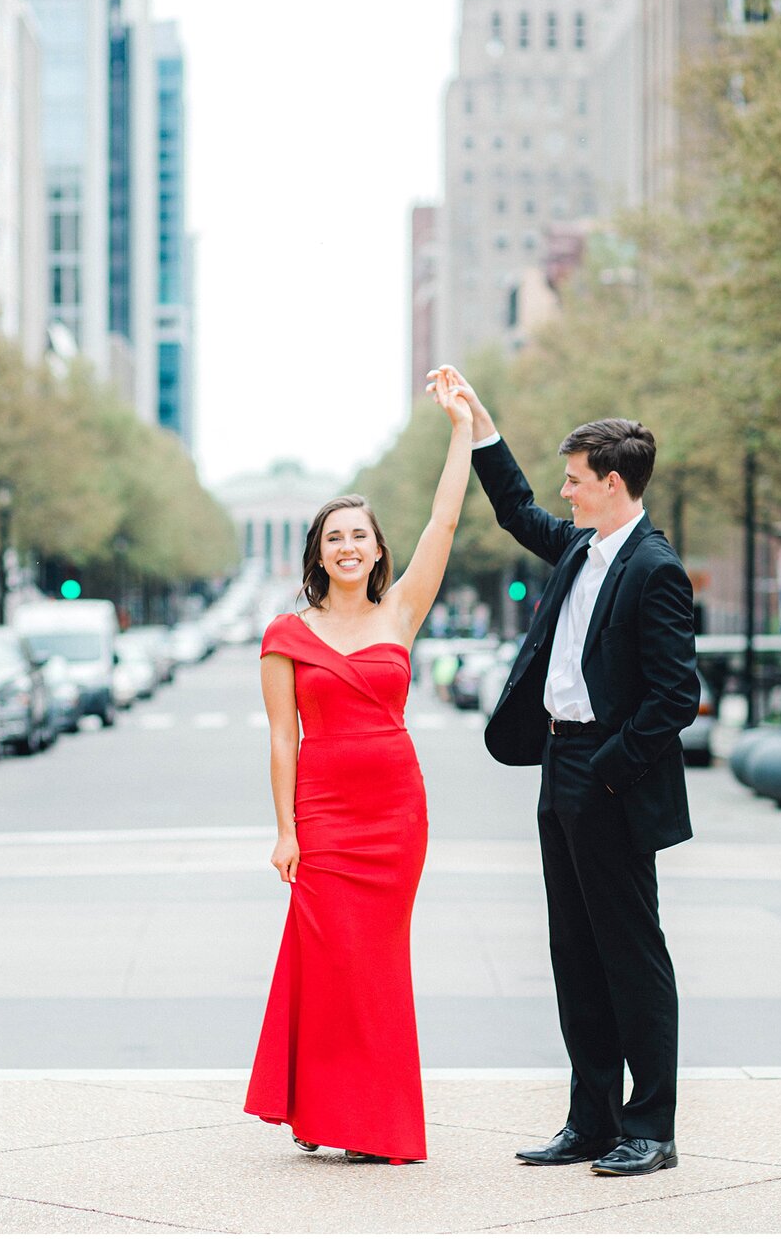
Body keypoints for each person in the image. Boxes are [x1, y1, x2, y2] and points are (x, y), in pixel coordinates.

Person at [427, 365, 699, 1178]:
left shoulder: (654, 568)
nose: (565, 491)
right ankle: (592, 1120)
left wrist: (609, 769)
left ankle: (650, 1127)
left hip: (610, 776)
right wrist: (479, 422)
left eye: (575, 479)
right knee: (574, 952)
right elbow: (517, 509)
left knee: (630, 953)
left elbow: (675, 695)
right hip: (560, 763)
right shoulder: (582, 546)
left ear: (613, 483)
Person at [243, 370, 473, 1164]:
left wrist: (461, 429)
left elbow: (445, 519)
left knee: (375, 964)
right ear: (318, 552)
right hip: (324, 813)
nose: (348, 546)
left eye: (359, 535)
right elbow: (282, 739)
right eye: (334, 536)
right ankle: (325, 1108)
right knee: (330, 960)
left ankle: (368, 1121)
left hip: (394, 813)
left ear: (378, 549)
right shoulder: (285, 634)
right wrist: (285, 831)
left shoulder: (401, 610)